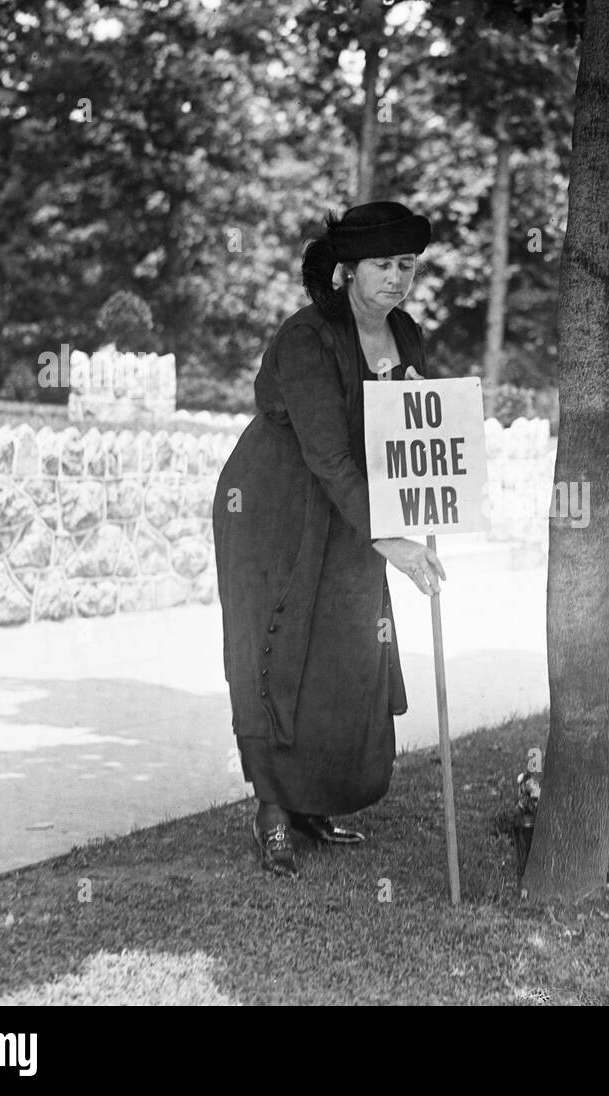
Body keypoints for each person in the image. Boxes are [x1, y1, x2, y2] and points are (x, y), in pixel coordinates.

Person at [213, 201, 446, 878]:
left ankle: (314, 800)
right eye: (382, 265)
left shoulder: (406, 333)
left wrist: (423, 507)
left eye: (406, 265)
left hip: (353, 510)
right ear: (346, 271)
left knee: (345, 649)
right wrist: (391, 540)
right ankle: (274, 811)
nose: (396, 279)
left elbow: (414, 436)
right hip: (275, 506)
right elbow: (328, 456)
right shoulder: (307, 338)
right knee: (279, 647)